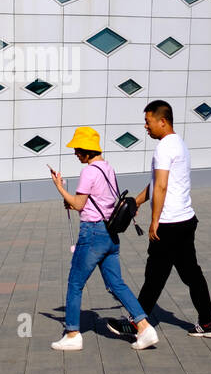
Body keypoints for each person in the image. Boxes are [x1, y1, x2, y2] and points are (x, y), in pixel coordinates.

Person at [111, 101, 211, 338]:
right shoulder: (179, 144)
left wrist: (154, 221)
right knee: (191, 274)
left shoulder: (163, 148)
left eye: (148, 122)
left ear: (163, 121)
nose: (145, 127)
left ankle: (136, 322)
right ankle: (208, 322)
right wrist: (136, 202)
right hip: (186, 220)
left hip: (169, 224)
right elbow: (156, 184)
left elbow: (161, 185)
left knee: (155, 276)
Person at [49, 128, 157, 351]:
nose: (76, 154)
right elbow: (100, 201)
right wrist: (75, 201)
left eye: (78, 150)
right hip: (110, 235)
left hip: (92, 234)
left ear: (87, 151)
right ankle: (145, 327)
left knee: (75, 284)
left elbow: (79, 205)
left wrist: (59, 188)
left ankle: (72, 335)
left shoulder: (89, 172)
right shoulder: (108, 168)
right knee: (116, 284)